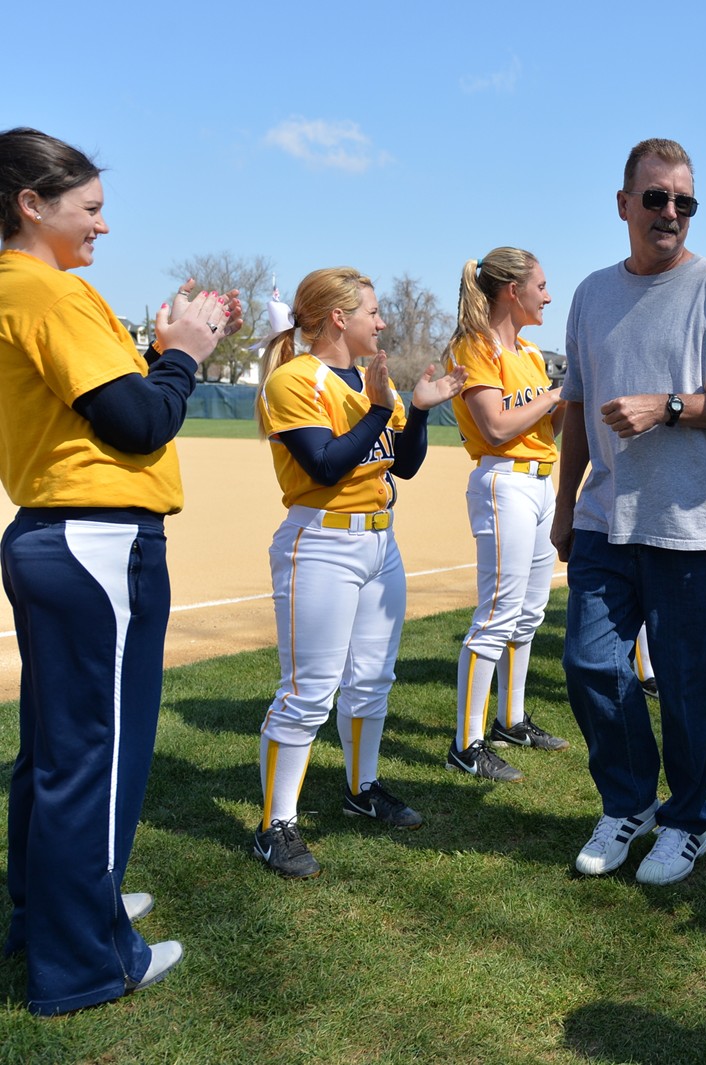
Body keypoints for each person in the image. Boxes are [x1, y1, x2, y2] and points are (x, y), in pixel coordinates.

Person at [0, 127, 239, 1013]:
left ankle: (58, 912)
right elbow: (138, 420)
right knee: (96, 760)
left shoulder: (31, 289)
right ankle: (90, 958)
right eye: (89, 208)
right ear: (32, 205)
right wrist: (182, 355)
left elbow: (109, 397)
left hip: (63, 535)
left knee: (58, 754)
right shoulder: (45, 290)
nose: (103, 225)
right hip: (94, 539)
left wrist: (175, 339)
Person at [553, 138, 706, 886]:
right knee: (588, 663)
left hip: (695, 527)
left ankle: (687, 821)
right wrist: (562, 506)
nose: (670, 212)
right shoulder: (590, 294)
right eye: (656, 198)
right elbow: (576, 407)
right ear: (623, 205)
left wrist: (670, 406)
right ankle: (630, 801)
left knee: (685, 689)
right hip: (604, 519)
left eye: (684, 201)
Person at [253, 267, 465, 879]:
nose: (384, 321)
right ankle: (275, 824)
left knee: (372, 679)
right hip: (318, 541)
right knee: (308, 691)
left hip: (379, 543)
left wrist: (417, 412)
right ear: (338, 317)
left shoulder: (373, 380)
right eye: (373, 311)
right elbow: (322, 465)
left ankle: (361, 787)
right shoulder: (295, 379)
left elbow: (405, 465)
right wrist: (377, 409)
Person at [441, 247, 571, 785]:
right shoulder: (473, 346)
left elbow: (546, 433)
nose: (547, 295)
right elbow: (495, 427)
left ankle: (511, 719)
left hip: (539, 481)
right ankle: (466, 743)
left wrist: (562, 401)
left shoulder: (532, 353)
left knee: (529, 612)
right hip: (502, 481)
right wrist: (557, 393)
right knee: (496, 615)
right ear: (511, 291)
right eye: (540, 285)